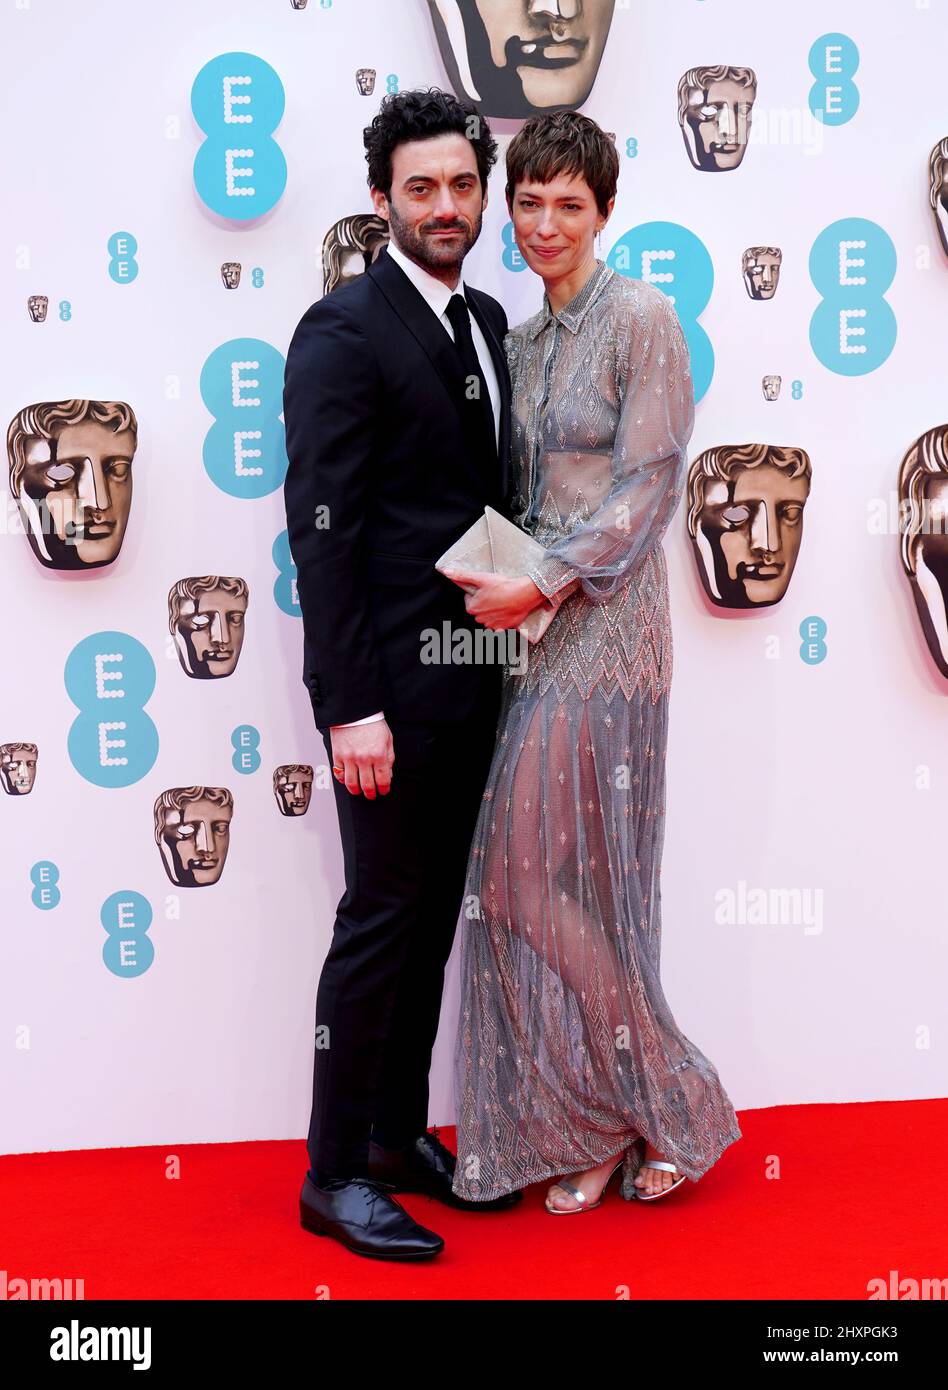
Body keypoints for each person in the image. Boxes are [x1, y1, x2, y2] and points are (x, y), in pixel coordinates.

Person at [443, 110, 743, 1213]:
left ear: (605, 211)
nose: (546, 223)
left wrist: (547, 580)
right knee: (526, 884)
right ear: (508, 210)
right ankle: (607, 1109)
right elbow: (514, 496)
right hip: (527, 637)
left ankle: (666, 1096)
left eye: (571, 204)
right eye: (529, 202)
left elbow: (648, 486)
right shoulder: (517, 343)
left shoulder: (644, 318)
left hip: (608, 636)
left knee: (532, 879)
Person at [282, 88, 528, 1260]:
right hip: (386, 695)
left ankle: (389, 1133)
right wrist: (350, 708)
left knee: (430, 917)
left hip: (470, 677)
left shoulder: (480, 315)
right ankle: (330, 1174)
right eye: (419, 187)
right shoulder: (342, 329)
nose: (445, 206)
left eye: (462, 186)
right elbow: (321, 533)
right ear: (380, 199)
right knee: (378, 918)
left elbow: (468, 507)